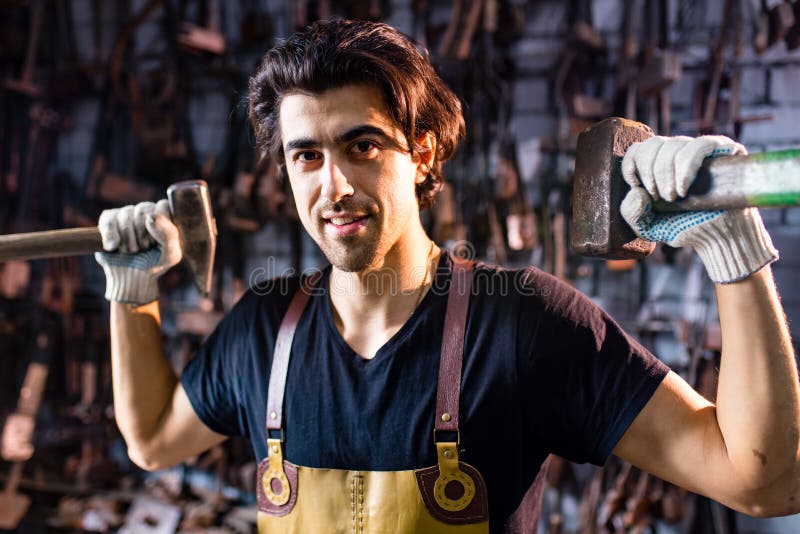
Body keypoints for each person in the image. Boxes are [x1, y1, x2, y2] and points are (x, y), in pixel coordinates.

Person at [94, 19, 800, 533]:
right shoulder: (263, 331)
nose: (333, 186)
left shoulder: (524, 325)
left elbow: (761, 482)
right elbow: (153, 439)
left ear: (423, 152)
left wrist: (729, 248)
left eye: (361, 145)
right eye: (306, 157)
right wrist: (133, 291)